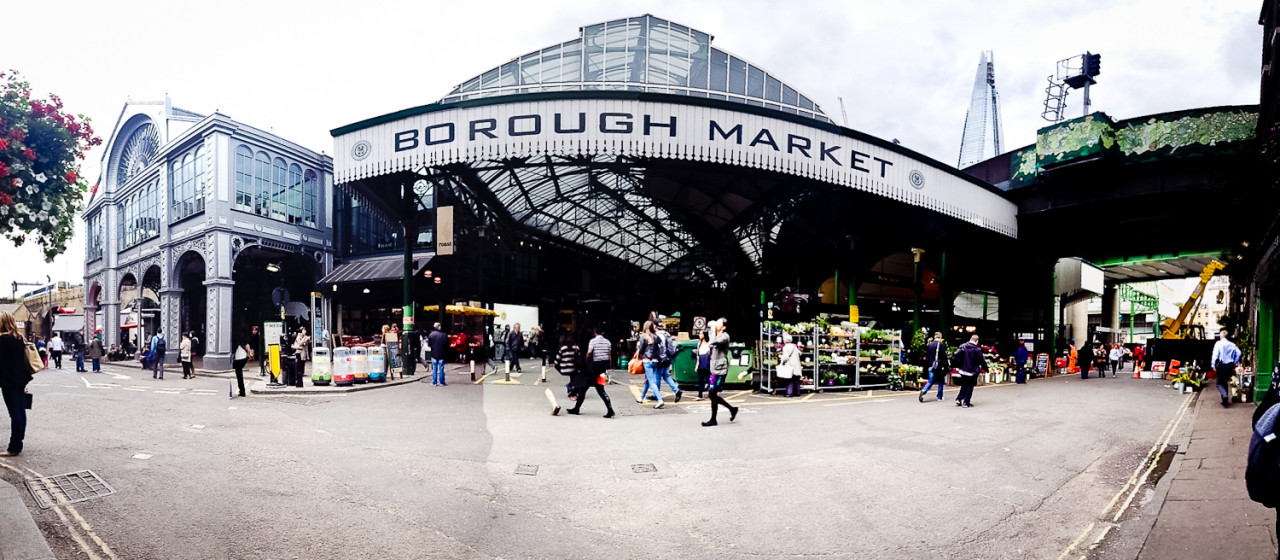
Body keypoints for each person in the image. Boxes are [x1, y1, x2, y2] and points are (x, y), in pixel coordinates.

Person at [0, 311, 33, 457]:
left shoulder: (2, 340)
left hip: (8, 381)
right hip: (20, 380)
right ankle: (18, 443)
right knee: (20, 412)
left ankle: (13, 447)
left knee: (15, 414)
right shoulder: (19, 338)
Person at [563, 332, 615, 418]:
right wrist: (608, 367)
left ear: (595, 332)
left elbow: (589, 352)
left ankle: (610, 410)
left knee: (594, 389)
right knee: (589, 389)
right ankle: (577, 408)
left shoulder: (593, 341)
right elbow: (609, 356)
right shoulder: (607, 342)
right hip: (601, 368)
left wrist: (586, 361)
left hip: (593, 368)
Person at [703, 319, 740, 426]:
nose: (716, 324)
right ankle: (732, 409)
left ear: (723, 327)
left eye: (719, 323)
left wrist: (712, 330)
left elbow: (713, 342)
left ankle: (713, 419)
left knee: (713, 393)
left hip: (720, 370)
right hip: (713, 370)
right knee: (711, 394)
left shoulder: (725, 337)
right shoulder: (717, 336)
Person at [650, 314, 682, 402]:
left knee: (657, 377)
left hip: (661, 359)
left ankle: (656, 394)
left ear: (654, 326)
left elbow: (657, 349)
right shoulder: (666, 333)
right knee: (666, 375)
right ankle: (677, 390)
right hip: (668, 358)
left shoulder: (656, 335)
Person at [635, 321, 665, 408]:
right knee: (648, 380)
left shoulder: (643, 337)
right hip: (656, 361)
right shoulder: (656, 337)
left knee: (651, 381)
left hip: (647, 361)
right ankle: (641, 397)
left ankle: (660, 400)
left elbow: (640, 350)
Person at [951, 334, 987, 408]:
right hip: (972, 370)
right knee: (970, 386)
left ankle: (959, 399)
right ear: (977, 341)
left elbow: (955, 356)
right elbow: (981, 360)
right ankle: (966, 402)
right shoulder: (977, 349)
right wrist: (986, 368)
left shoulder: (962, 346)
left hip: (962, 369)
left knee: (964, 385)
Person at [1212, 331, 1242, 408]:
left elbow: (1215, 356)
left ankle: (1225, 396)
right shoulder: (1232, 344)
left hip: (1221, 365)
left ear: (1221, 336)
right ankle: (1224, 401)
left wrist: (1213, 365)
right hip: (1230, 365)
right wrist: (1235, 362)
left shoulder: (1218, 343)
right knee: (1225, 382)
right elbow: (1239, 353)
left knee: (1218, 383)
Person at [919, 332, 948, 401]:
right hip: (938, 366)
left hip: (930, 365)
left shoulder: (929, 345)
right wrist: (945, 365)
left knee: (930, 381)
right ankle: (939, 396)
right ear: (940, 337)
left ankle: (923, 391)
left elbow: (926, 356)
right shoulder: (940, 345)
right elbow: (944, 356)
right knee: (941, 380)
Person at [778, 332, 802, 398]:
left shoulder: (785, 347)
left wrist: (781, 357)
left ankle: (789, 393)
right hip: (796, 365)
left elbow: (786, 357)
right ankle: (798, 392)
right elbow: (800, 353)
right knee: (796, 379)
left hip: (790, 365)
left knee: (790, 380)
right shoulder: (794, 346)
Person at [695, 330, 713, 398]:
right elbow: (698, 355)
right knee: (700, 380)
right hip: (701, 363)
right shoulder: (699, 343)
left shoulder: (709, 343)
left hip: (707, 363)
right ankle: (700, 395)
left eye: (701, 333)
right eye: (699, 333)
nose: (699, 335)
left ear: (704, 335)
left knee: (709, 379)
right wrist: (697, 365)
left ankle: (711, 394)